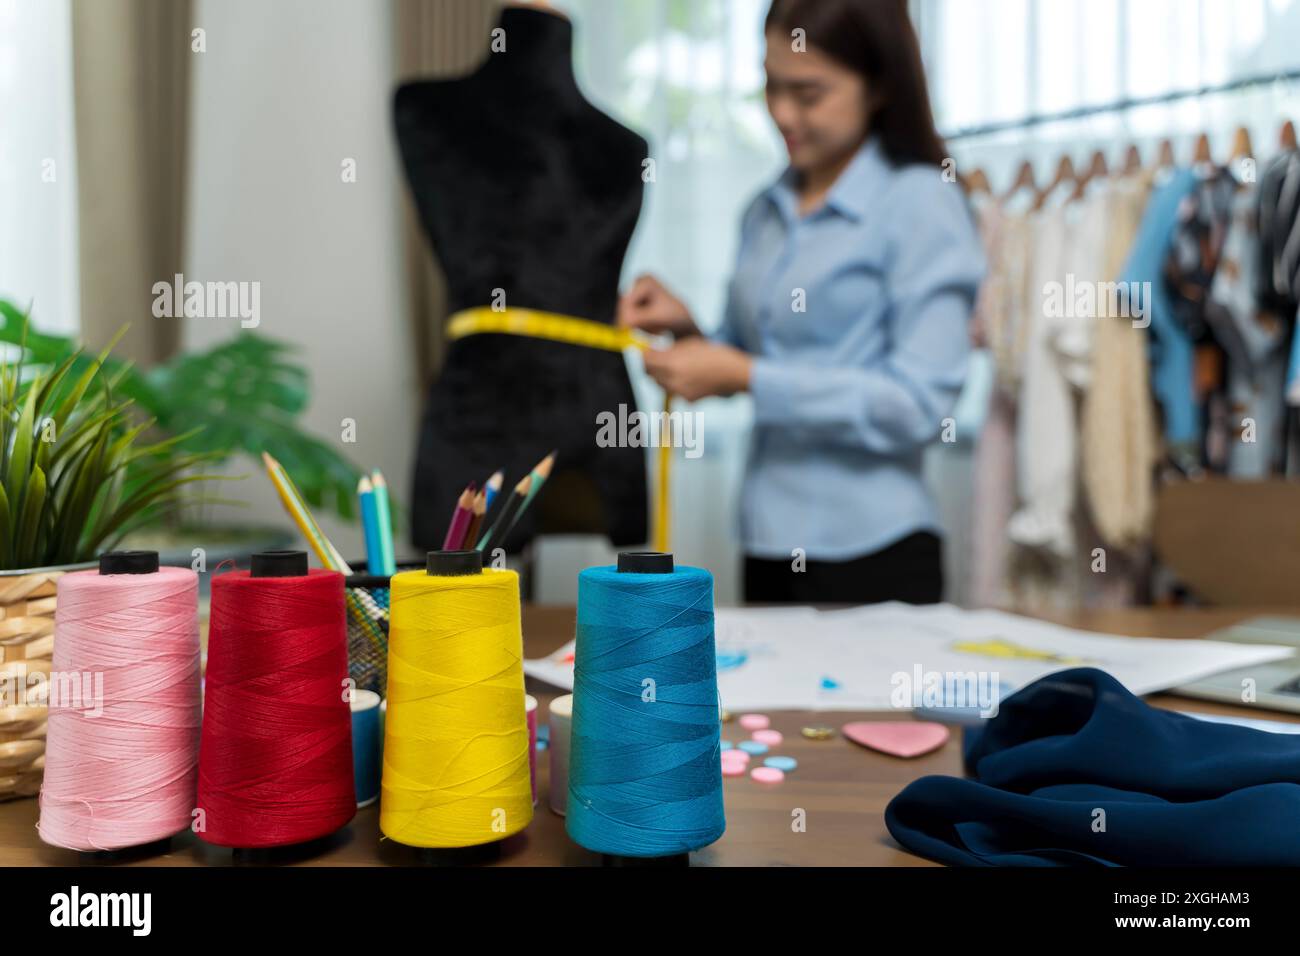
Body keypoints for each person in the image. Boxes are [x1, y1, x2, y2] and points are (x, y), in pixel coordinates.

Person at [617, 0, 985, 605]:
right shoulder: (764, 210)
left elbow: (920, 403)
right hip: (766, 542)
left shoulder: (921, 204)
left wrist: (746, 375)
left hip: (877, 554)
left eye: (808, 93)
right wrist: (688, 331)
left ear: (879, 87)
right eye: (770, 86)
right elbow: (747, 354)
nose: (782, 113)